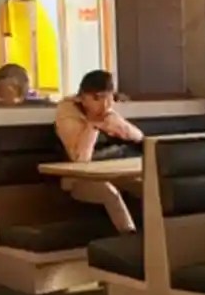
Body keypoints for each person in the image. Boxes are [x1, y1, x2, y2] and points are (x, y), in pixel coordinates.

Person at [55, 70, 143, 233]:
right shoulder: (67, 114)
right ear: (82, 97)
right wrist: (92, 126)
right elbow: (80, 159)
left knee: (148, 186)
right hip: (79, 178)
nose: (104, 105)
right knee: (110, 193)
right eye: (96, 98)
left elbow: (139, 137)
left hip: (113, 170)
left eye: (108, 98)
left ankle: (157, 237)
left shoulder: (106, 113)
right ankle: (129, 236)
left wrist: (119, 127)